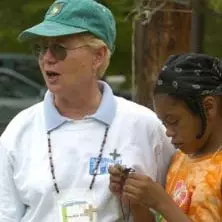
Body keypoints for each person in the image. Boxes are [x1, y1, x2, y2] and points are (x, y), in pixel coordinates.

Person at [0, 0, 175, 221]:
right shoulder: (19, 130)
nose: (47, 58)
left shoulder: (146, 127)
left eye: (59, 48)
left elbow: (179, 205)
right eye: (42, 48)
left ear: (98, 56)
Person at [109, 53, 222, 222]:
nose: (168, 132)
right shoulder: (179, 160)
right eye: (164, 123)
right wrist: (136, 201)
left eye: (173, 121)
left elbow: (166, 208)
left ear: (208, 107)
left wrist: (162, 203)